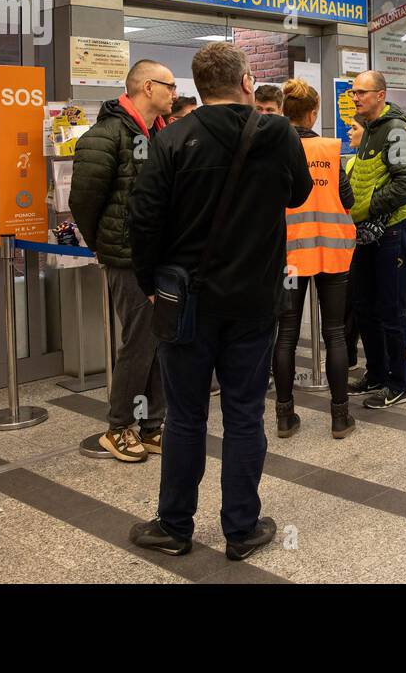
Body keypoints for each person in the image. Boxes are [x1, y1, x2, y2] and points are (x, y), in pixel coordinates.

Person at [126, 43, 312, 559]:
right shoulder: (276, 133)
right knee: (245, 414)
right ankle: (241, 529)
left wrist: (149, 281)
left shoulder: (172, 138)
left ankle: (174, 527)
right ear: (248, 82)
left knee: (185, 417)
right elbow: (297, 195)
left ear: (197, 85)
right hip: (254, 301)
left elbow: (143, 219)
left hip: (184, 302)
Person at [69, 59, 176, 463]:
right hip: (128, 258)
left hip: (163, 257)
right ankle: (118, 427)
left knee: (161, 340)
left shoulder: (163, 134)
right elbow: (82, 199)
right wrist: (102, 243)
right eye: (168, 86)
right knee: (140, 340)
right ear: (148, 88)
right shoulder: (106, 135)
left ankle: (151, 426)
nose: (174, 93)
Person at [272, 79, 357, 439]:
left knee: (287, 334)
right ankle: (339, 417)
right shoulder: (330, 149)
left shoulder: (273, 147)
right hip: (333, 251)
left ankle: (285, 416)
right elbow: (348, 200)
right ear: (311, 114)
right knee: (335, 332)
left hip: (291, 254)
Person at [346, 70, 406, 408]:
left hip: (391, 231)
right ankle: (375, 374)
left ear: (380, 94)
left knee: (391, 309)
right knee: (364, 306)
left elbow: (405, 186)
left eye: (362, 92)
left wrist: (367, 210)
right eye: (353, 93)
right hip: (365, 235)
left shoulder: (397, 131)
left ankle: (399, 382)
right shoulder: (370, 131)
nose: (356, 98)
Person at [341, 119, 366, 369]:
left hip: (369, 239)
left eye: (355, 128)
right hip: (347, 240)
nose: (349, 132)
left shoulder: (381, 160)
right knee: (346, 300)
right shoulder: (348, 162)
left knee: (358, 301)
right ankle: (347, 352)